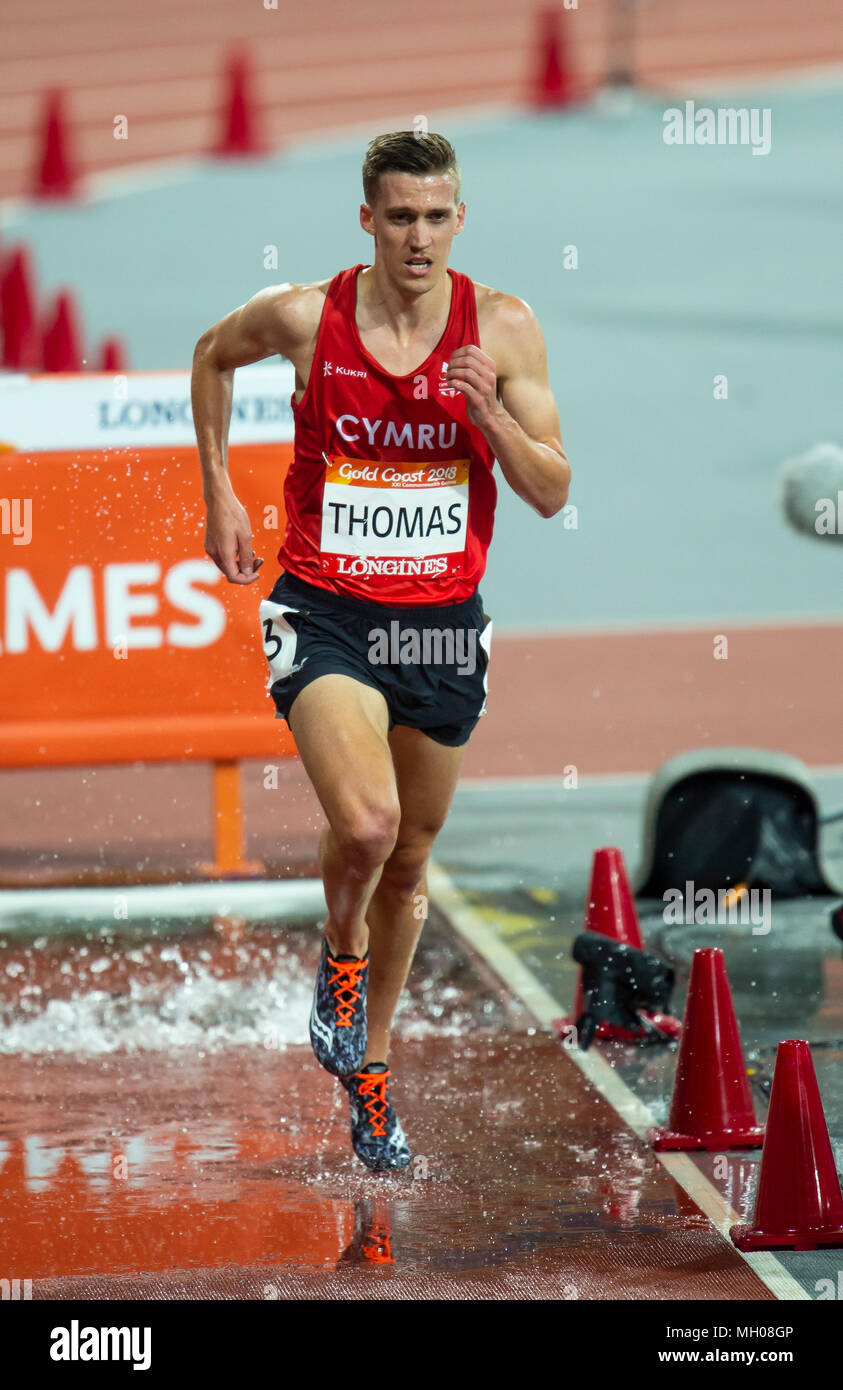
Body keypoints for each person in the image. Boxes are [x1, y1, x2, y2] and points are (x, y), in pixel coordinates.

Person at [191, 130, 570, 1171]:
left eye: (436, 216)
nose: (418, 236)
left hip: (441, 626)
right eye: (398, 216)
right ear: (367, 220)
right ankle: (339, 961)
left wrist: (485, 408)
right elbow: (211, 353)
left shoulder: (502, 327)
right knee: (366, 823)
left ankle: (371, 1071)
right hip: (326, 612)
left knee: (410, 861)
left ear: (460, 219)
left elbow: (550, 490)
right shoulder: (307, 318)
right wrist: (218, 486)